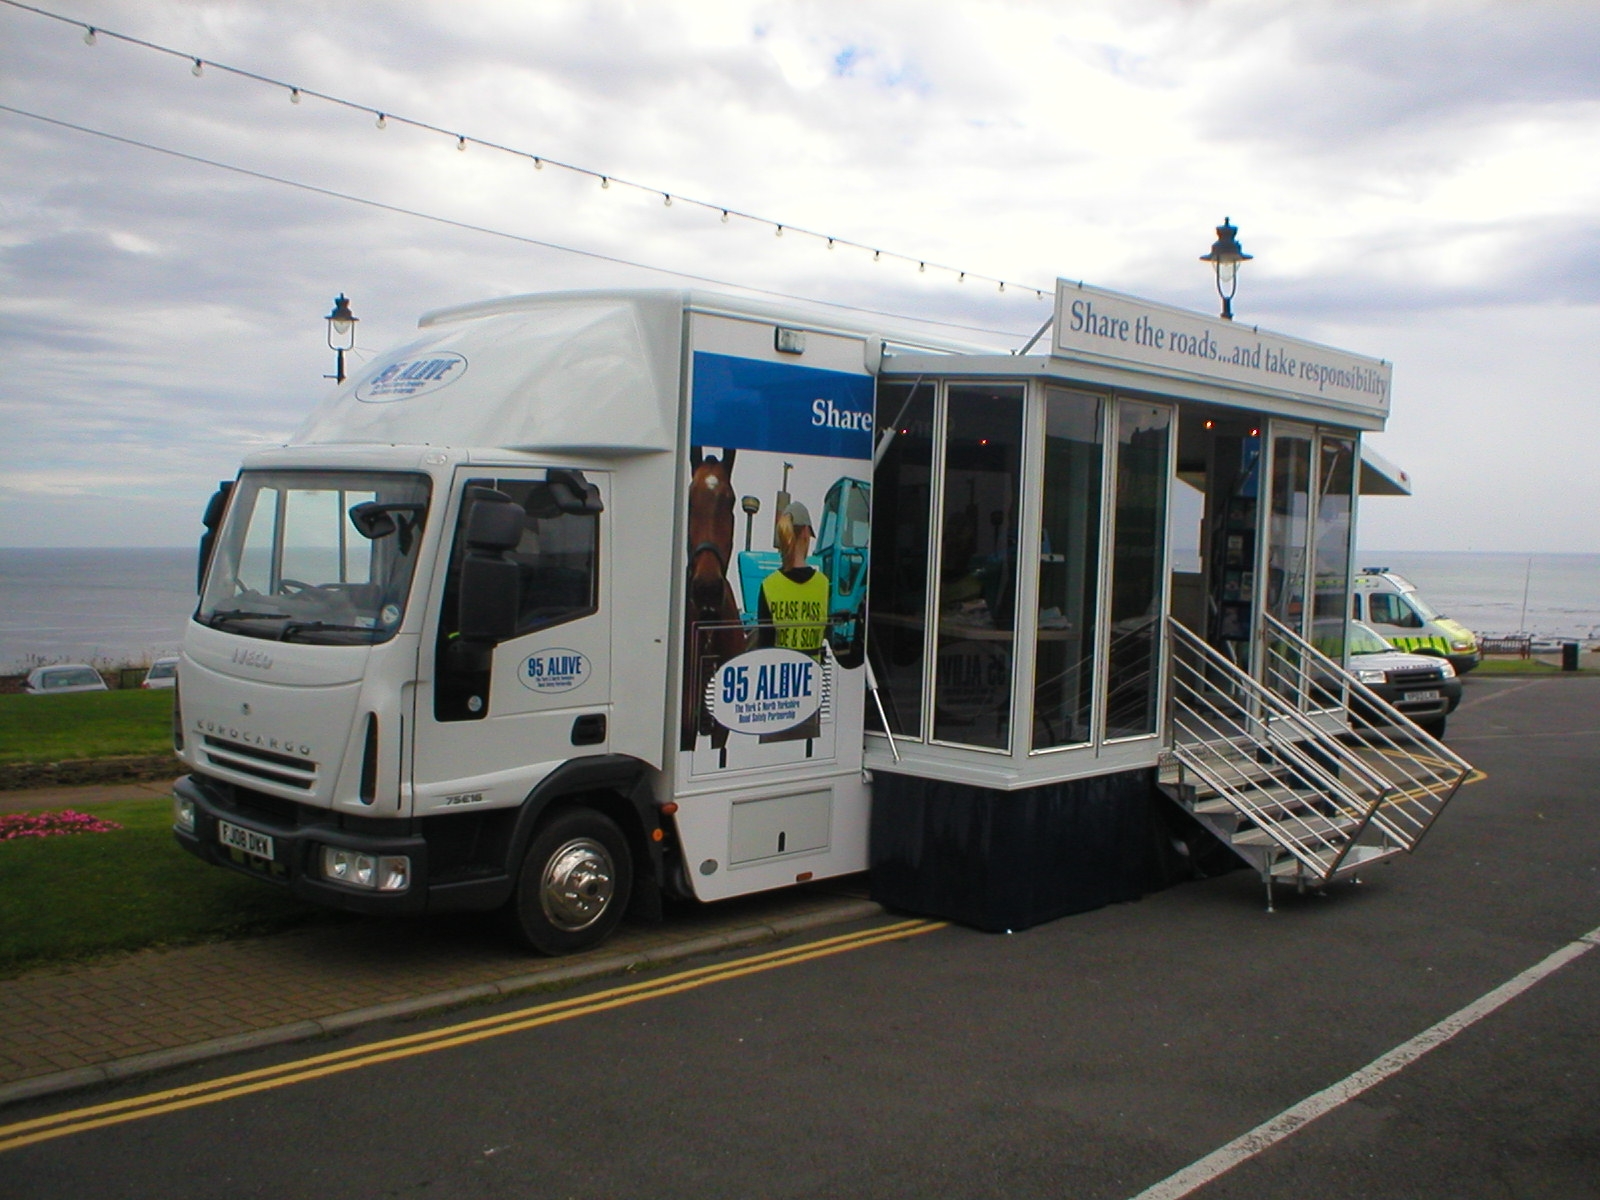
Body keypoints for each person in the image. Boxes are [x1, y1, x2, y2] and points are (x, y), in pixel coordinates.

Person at [757, 502, 829, 656]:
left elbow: (764, 646)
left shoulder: (768, 586)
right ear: (805, 532)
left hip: (780, 675)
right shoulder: (823, 584)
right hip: (814, 676)